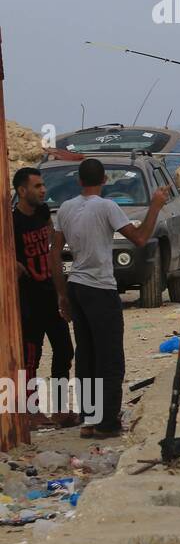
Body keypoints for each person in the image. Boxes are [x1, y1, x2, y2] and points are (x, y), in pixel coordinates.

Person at [52, 159, 167, 437]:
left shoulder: (66, 208)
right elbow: (140, 238)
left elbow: (54, 254)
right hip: (101, 289)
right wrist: (155, 205)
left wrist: (62, 294)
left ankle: (89, 419)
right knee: (110, 357)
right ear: (104, 180)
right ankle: (107, 423)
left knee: (87, 355)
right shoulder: (107, 207)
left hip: (77, 286)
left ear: (79, 181)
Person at [11, 168, 75, 422]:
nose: (43, 190)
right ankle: (31, 411)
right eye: (37, 186)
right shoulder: (12, 221)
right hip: (27, 297)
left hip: (49, 292)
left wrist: (62, 291)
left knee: (64, 350)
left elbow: (51, 245)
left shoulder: (42, 212)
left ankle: (59, 408)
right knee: (31, 356)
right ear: (22, 191)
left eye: (43, 185)